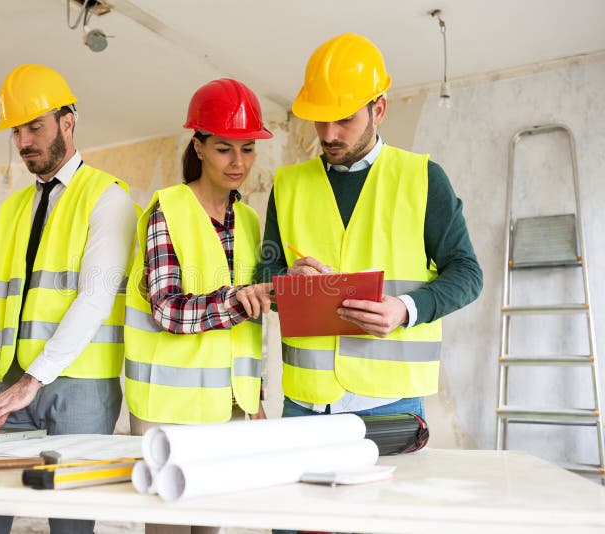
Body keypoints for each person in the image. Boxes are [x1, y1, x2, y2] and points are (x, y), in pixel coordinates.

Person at [256, 33, 483, 422]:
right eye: (320, 119)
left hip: (391, 403)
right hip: (303, 402)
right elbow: (265, 276)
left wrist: (405, 309)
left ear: (378, 110)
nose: (328, 134)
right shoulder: (288, 185)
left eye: (344, 119)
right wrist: (288, 282)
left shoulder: (423, 178)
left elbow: (467, 273)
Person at [0, 64, 137, 534]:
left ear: (68, 121)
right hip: (13, 381)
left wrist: (33, 380)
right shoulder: (13, 207)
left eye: (34, 126)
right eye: (17, 131)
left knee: (70, 523)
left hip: (81, 389)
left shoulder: (108, 197)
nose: (23, 142)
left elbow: (95, 299)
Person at [124, 78, 273, 534]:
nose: (238, 162)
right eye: (225, 148)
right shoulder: (167, 210)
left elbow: (252, 321)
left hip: (228, 407)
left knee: (210, 527)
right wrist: (235, 302)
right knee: (167, 527)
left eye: (247, 149)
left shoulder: (249, 219)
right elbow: (167, 308)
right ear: (200, 147)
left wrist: (256, 399)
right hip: (166, 407)